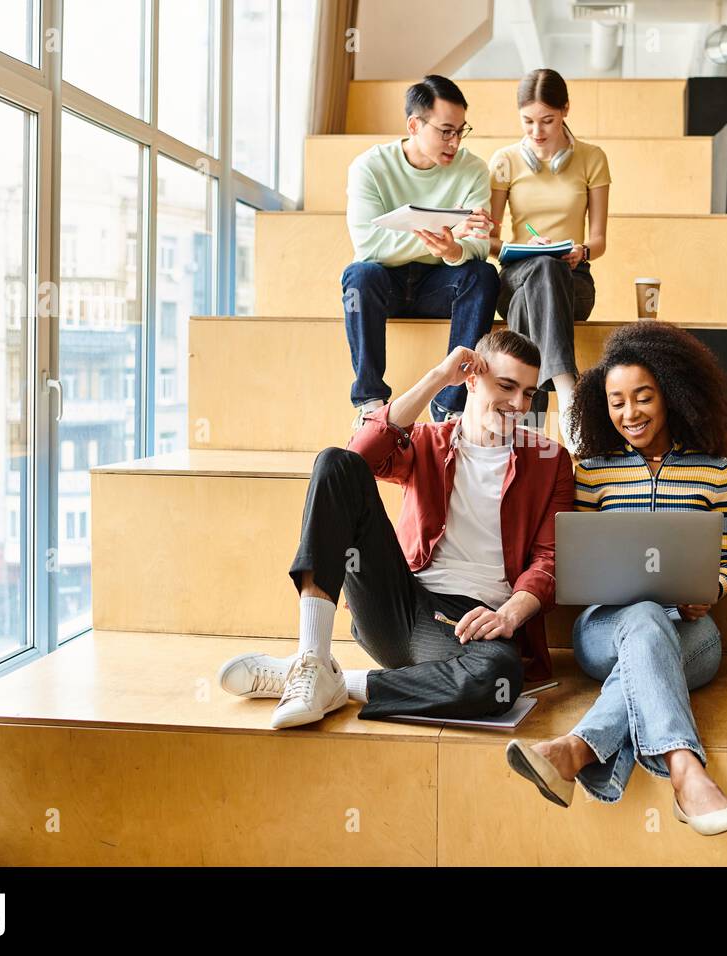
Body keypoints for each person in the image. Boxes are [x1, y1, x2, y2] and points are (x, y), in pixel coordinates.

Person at [216, 329, 574, 728]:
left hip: (471, 625)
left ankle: (327, 680)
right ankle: (312, 654)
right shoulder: (426, 441)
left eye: (529, 393)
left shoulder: (550, 460)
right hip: (397, 601)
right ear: (471, 378)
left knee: (499, 679)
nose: (519, 404)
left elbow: (549, 558)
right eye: (506, 386)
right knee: (335, 462)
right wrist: (438, 376)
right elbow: (359, 456)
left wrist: (509, 614)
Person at [504, 322, 727, 836]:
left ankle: (574, 751)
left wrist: (711, 589)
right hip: (602, 632)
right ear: (602, 405)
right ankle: (685, 769)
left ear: (672, 394)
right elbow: (579, 560)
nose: (629, 414)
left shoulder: (717, 472)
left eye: (643, 398)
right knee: (638, 617)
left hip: (692, 634)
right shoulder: (592, 471)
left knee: (649, 628)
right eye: (616, 402)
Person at [341, 74, 499, 427]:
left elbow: (478, 243)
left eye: (461, 130)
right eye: (446, 131)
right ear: (414, 124)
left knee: (483, 275)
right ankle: (371, 401)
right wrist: (442, 234)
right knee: (358, 275)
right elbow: (369, 245)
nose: (455, 142)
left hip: (439, 282)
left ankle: (452, 404)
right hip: (386, 285)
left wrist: (453, 248)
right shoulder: (370, 167)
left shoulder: (472, 169)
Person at [474, 68, 609, 450]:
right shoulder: (504, 161)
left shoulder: (592, 159)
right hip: (515, 273)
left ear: (565, 110)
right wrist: (527, 250)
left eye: (547, 120)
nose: (537, 131)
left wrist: (579, 251)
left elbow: (598, 241)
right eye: (528, 121)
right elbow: (491, 239)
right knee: (539, 268)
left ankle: (526, 428)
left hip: (574, 282)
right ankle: (568, 390)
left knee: (546, 274)